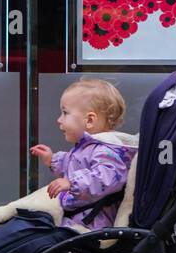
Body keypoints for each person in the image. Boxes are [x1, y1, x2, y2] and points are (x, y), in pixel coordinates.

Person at [29, 78, 137, 232]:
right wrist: (52, 160)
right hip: (80, 216)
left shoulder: (105, 150)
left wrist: (72, 182)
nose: (59, 119)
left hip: (92, 223)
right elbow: (75, 164)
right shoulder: (89, 148)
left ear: (90, 120)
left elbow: (106, 177)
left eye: (65, 113)